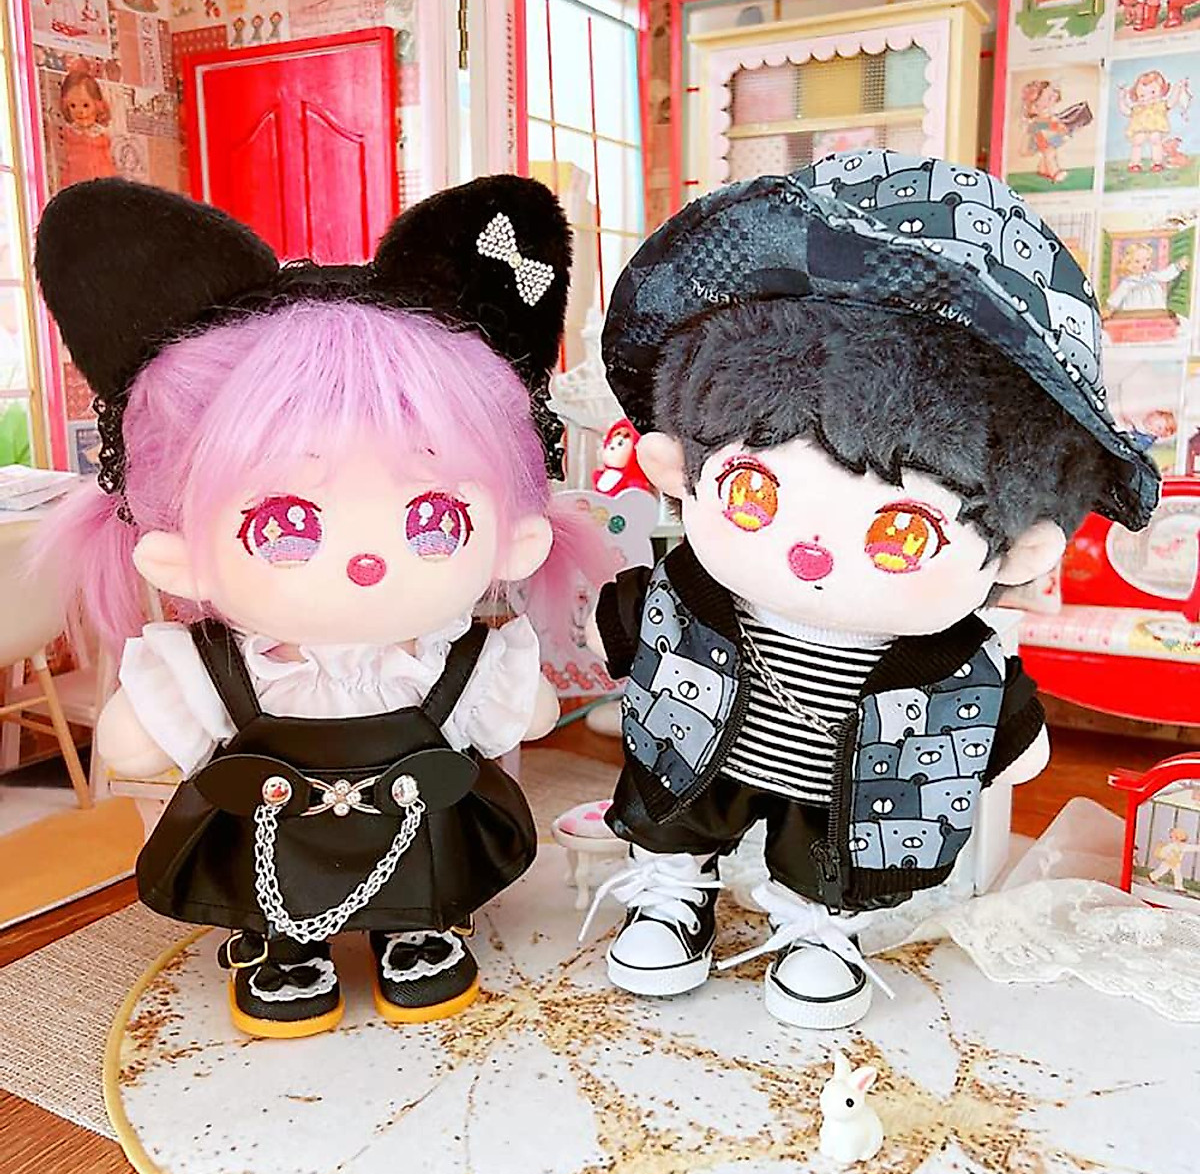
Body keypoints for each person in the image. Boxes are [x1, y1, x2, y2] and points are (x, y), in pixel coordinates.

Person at [582, 150, 1160, 1030]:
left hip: (850, 787)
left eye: (901, 533)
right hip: (698, 756)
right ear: (677, 471)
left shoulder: (951, 660)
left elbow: (1001, 727)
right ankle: (673, 892)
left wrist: (1007, 744)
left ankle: (820, 927)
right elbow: (622, 627)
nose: (810, 555)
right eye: (752, 492)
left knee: (833, 852)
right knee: (676, 809)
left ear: (1018, 551)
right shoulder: (687, 594)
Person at [34, 175, 606, 1037]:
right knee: (274, 877)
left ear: (513, 535)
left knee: (424, 861)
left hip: (418, 831)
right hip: (273, 839)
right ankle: (288, 944)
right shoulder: (222, 667)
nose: (366, 563)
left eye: (433, 518)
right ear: (177, 552)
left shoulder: (447, 658)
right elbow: (135, 741)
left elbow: (521, 716)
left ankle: (413, 929)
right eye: (286, 525)